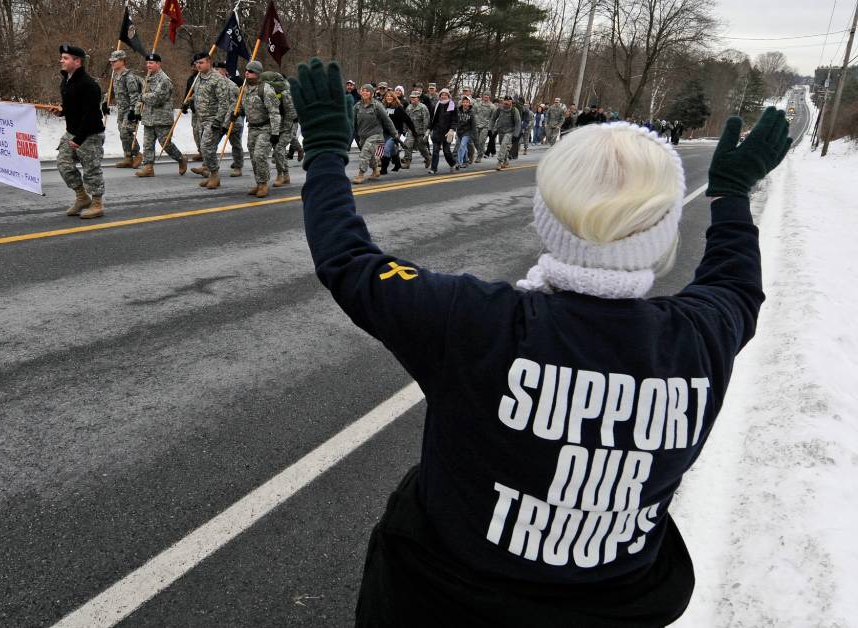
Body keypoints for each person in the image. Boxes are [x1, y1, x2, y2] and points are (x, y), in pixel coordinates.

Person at [287, 58, 792, 628]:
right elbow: (736, 282)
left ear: (545, 218)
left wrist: (327, 150)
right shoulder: (700, 338)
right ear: (664, 233)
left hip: (436, 602)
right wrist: (729, 196)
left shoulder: (473, 324)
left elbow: (349, 261)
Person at [50, 44, 106, 219]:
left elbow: (91, 115)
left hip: (89, 134)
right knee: (64, 164)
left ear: (78, 61)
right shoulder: (67, 79)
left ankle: (97, 203)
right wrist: (62, 111)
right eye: (62, 57)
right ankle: (82, 197)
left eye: (65, 58)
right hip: (72, 132)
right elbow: (74, 107)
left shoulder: (89, 85)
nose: (61, 60)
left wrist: (79, 138)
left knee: (91, 169)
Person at [188, 52, 235, 189]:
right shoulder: (199, 77)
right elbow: (201, 95)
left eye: (201, 63)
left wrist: (218, 121)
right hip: (201, 118)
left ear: (209, 62)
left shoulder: (217, 79)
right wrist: (190, 102)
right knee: (207, 149)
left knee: (206, 147)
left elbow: (224, 103)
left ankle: (214, 175)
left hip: (213, 120)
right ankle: (211, 175)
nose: (198, 65)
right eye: (196, 63)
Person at [135, 53, 185, 178]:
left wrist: (142, 97)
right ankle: (148, 167)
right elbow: (141, 98)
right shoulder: (148, 78)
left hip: (162, 118)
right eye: (147, 63)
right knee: (148, 143)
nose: (148, 65)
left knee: (165, 144)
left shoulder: (164, 80)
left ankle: (180, 159)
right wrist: (137, 111)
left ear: (158, 64)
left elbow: (156, 98)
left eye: (151, 63)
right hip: (148, 117)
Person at [241, 60, 282, 198]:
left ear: (258, 74)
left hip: (266, 128)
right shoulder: (244, 88)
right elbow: (238, 106)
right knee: (253, 156)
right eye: (246, 69)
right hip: (252, 127)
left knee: (260, 155)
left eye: (251, 71)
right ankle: (258, 183)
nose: (247, 72)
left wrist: (275, 133)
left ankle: (264, 185)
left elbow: (275, 112)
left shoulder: (266, 89)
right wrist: (233, 116)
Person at [352, 83, 397, 184]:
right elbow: (351, 120)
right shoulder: (357, 106)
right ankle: (376, 171)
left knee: (365, 153)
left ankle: (360, 174)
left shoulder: (377, 105)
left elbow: (387, 120)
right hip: (363, 136)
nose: (365, 92)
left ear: (371, 93)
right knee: (371, 155)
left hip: (375, 135)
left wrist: (394, 133)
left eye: (367, 91)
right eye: (363, 90)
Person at [106, 50, 143, 169]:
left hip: (129, 110)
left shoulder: (129, 76)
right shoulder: (115, 76)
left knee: (125, 131)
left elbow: (135, 95)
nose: (112, 63)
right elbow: (111, 93)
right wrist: (104, 103)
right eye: (111, 61)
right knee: (123, 133)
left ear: (122, 61)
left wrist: (134, 111)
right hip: (121, 110)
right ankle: (128, 157)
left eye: (114, 61)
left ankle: (137, 154)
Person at [215, 61, 246, 176]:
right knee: (211, 143)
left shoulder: (232, 86)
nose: (215, 72)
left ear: (224, 72)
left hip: (233, 121)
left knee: (236, 145)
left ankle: (238, 166)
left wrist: (228, 121)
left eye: (218, 70)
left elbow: (237, 104)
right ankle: (207, 166)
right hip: (219, 120)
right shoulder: (214, 84)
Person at [379, 90, 416, 174]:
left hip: (395, 133)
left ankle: (383, 169)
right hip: (385, 132)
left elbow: (407, 120)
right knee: (392, 150)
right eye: (387, 96)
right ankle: (398, 164)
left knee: (387, 148)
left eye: (391, 96)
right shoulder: (382, 107)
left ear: (394, 98)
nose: (389, 98)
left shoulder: (398, 108)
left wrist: (413, 131)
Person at [428, 88, 457, 174]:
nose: (443, 96)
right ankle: (433, 169)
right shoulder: (436, 105)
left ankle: (452, 163)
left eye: (445, 94)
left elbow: (454, 119)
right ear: (440, 96)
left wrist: (452, 130)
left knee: (446, 151)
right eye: (442, 94)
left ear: (448, 96)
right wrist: (429, 129)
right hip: (437, 131)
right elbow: (433, 119)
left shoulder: (452, 105)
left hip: (447, 132)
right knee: (435, 150)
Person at [489, 95, 519, 170]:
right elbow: (493, 118)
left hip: (509, 131)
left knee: (503, 145)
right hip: (501, 131)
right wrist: (490, 128)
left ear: (511, 102)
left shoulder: (514, 110)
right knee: (503, 146)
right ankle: (506, 160)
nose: (507, 102)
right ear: (503, 101)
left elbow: (518, 123)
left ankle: (499, 162)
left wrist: (515, 134)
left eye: (509, 101)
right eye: (505, 100)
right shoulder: (499, 109)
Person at [403, 90, 431, 169]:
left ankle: (427, 158)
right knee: (407, 145)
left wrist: (426, 133)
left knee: (421, 148)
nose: (412, 99)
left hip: (421, 131)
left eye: (414, 97)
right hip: (411, 131)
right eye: (411, 97)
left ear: (418, 98)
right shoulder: (409, 107)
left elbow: (426, 121)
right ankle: (407, 162)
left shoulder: (423, 108)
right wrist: (405, 130)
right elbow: (406, 120)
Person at [454, 95, 478, 168]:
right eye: (464, 102)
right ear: (462, 103)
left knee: (462, 146)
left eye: (467, 102)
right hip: (459, 132)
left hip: (467, 132)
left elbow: (474, 125)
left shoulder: (471, 113)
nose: (465, 103)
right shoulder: (458, 111)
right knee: (463, 147)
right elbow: (456, 121)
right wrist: (455, 130)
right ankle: (466, 161)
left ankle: (459, 162)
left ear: (469, 103)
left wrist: (474, 135)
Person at [472, 93, 494, 162]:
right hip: (477, 124)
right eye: (485, 95)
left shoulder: (492, 106)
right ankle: (481, 151)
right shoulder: (477, 104)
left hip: (485, 126)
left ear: (489, 97)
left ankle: (479, 156)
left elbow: (493, 118)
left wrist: (490, 125)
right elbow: (473, 113)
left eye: (487, 96)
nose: (486, 97)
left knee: (481, 141)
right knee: (475, 141)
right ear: (483, 96)